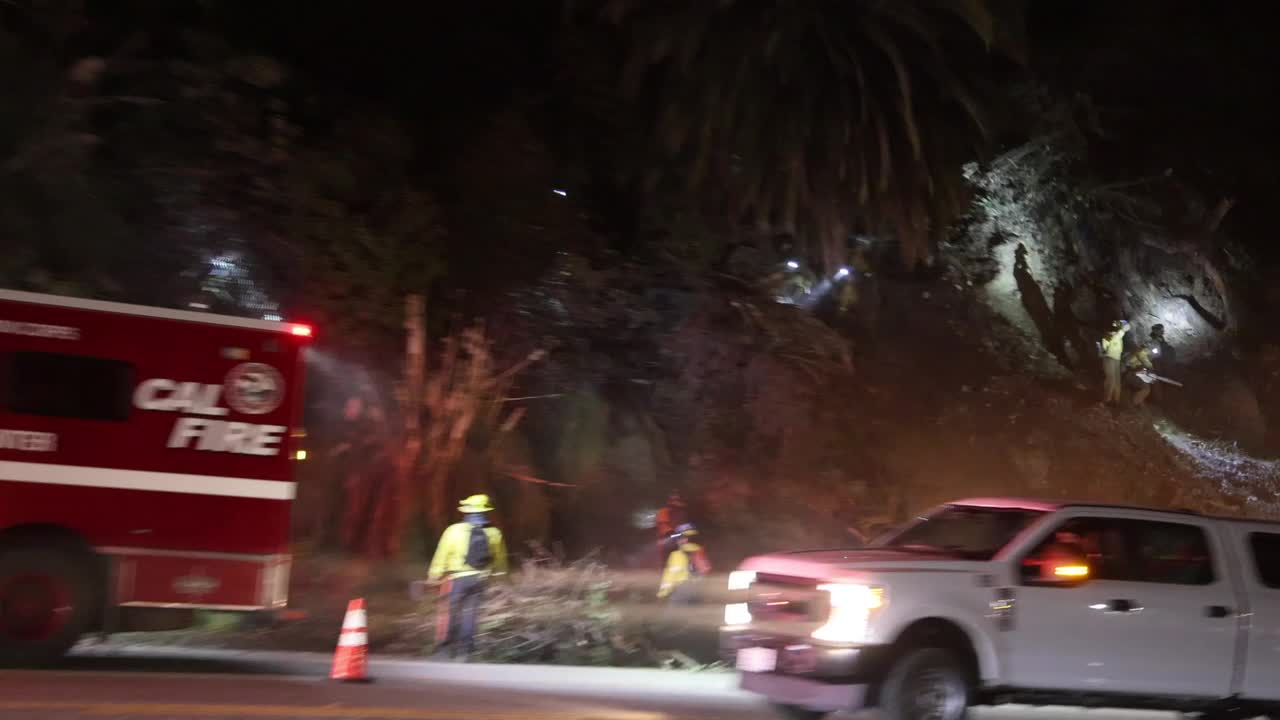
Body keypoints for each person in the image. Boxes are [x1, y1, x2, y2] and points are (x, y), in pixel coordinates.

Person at [427, 494, 508, 661]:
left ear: (466, 511)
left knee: (450, 613)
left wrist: (434, 575)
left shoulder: (453, 531)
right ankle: (466, 652)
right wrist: (501, 576)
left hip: (456, 579)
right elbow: (500, 559)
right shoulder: (494, 533)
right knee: (470, 614)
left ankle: (444, 651)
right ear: (486, 511)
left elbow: (442, 555)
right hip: (480, 579)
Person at [657, 523, 711, 605]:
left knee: (673, 616)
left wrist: (662, 593)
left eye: (678, 538)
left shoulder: (676, 555)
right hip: (698, 591)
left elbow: (670, 576)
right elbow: (706, 569)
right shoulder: (699, 552)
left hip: (682, 592)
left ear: (683, 539)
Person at [1100, 320, 1130, 405]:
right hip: (1109, 359)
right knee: (1111, 380)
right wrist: (1122, 329)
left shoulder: (1116, 336)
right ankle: (1106, 400)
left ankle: (1116, 401)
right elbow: (1115, 337)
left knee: (1117, 381)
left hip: (1116, 360)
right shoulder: (1108, 335)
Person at [1125, 342, 1158, 407]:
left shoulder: (1136, 352)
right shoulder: (1141, 354)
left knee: (1147, 383)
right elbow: (1148, 366)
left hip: (1131, 374)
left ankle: (1139, 402)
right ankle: (1133, 403)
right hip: (1131, 375)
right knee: (1146, 388)